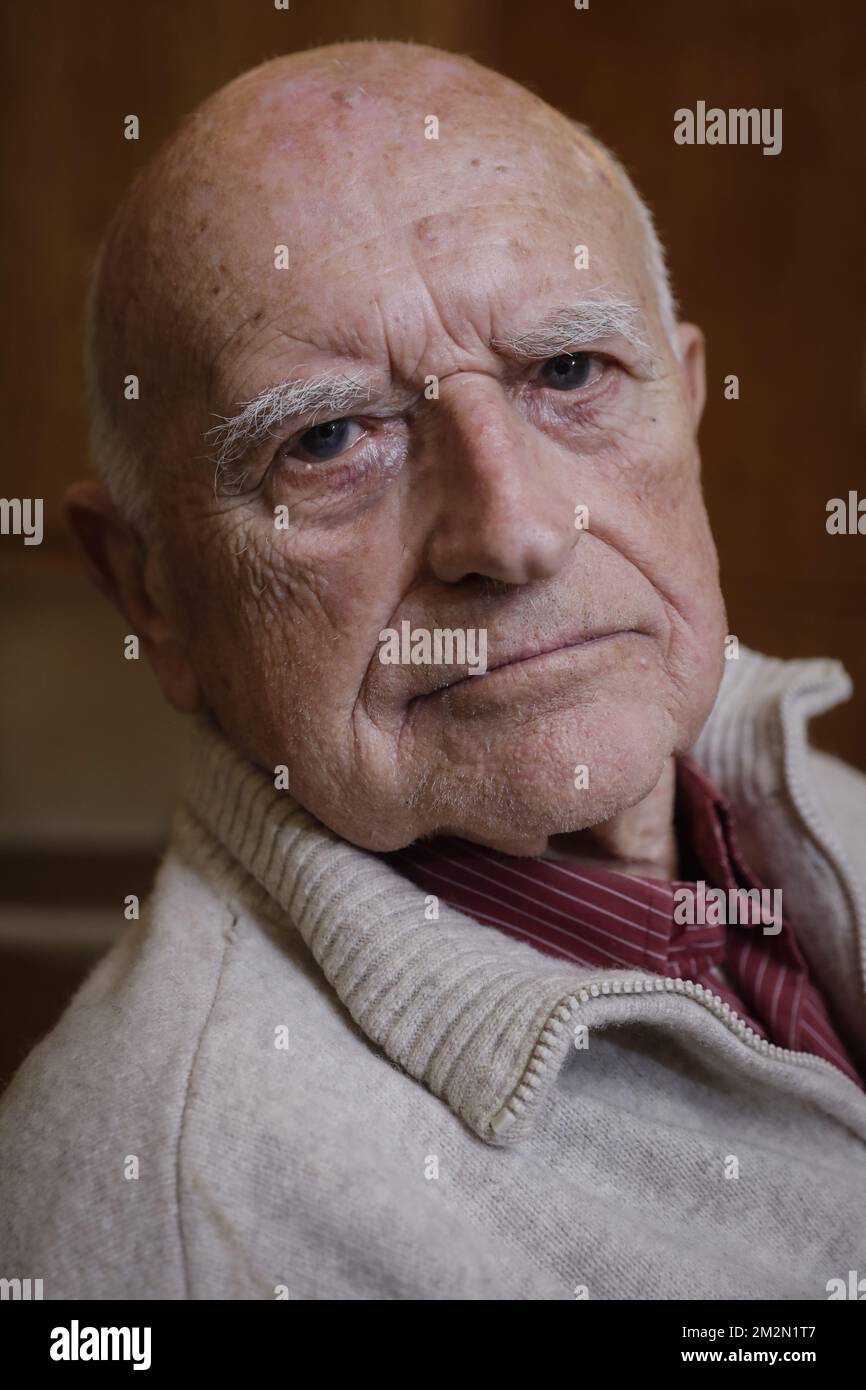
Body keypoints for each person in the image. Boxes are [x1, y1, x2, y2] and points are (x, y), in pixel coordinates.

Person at [1, 39, 864, 1301]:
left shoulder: (784, 785)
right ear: (151, 590)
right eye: (330, 438)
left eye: (568, 373)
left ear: (679, 406)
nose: (511, 530)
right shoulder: (170, 1236)